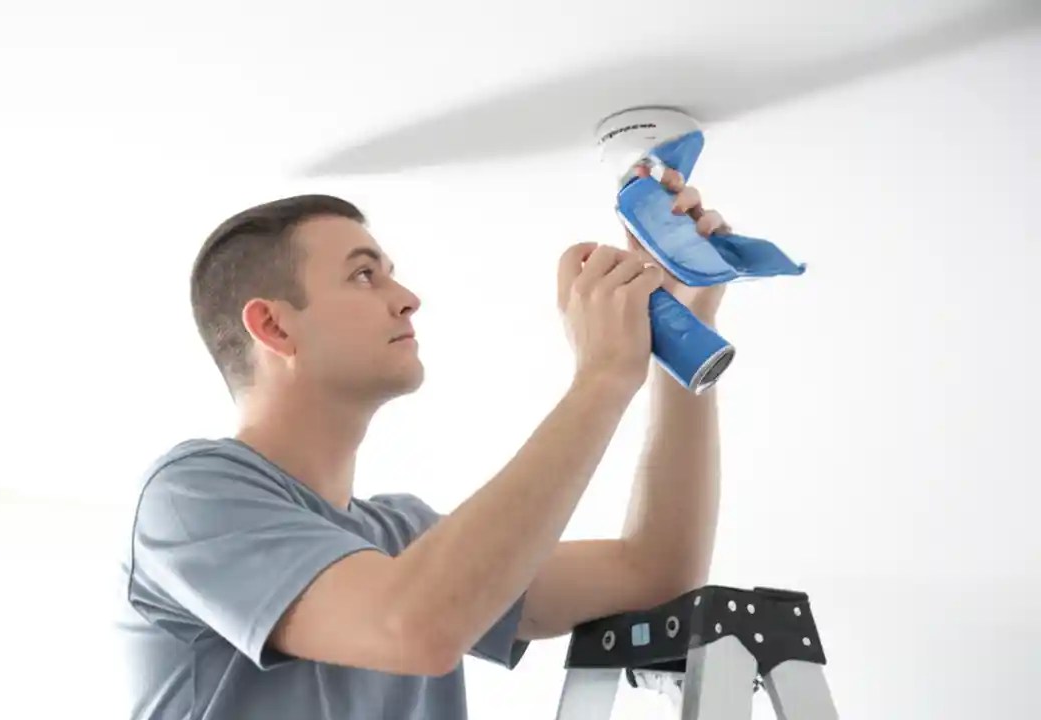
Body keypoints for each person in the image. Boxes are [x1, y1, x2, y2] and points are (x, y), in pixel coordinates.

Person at [115, 165, 729, 719]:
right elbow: (415, 628)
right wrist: (600, 377)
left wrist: (687, 334)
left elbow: (657, 572)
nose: (407, 299)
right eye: (363, 275)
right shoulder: (189, 499)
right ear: (274, 326)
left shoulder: (403, 542)